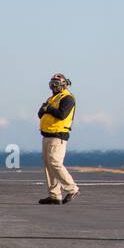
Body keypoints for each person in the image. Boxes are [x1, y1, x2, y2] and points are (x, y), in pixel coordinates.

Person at [38, 73, 79, 205]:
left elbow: (62, 115)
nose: (53, 87)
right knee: (48, 166)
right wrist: (46, 108)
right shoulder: (51, 98)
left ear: (63, 85)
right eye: (52, 84)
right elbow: (40, 114)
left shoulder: (68, 98)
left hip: (58, 136)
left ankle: (72, 188)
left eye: (56, 84)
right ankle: (54, 195)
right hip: (47, 135)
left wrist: (48, 109)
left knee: (55, 163)